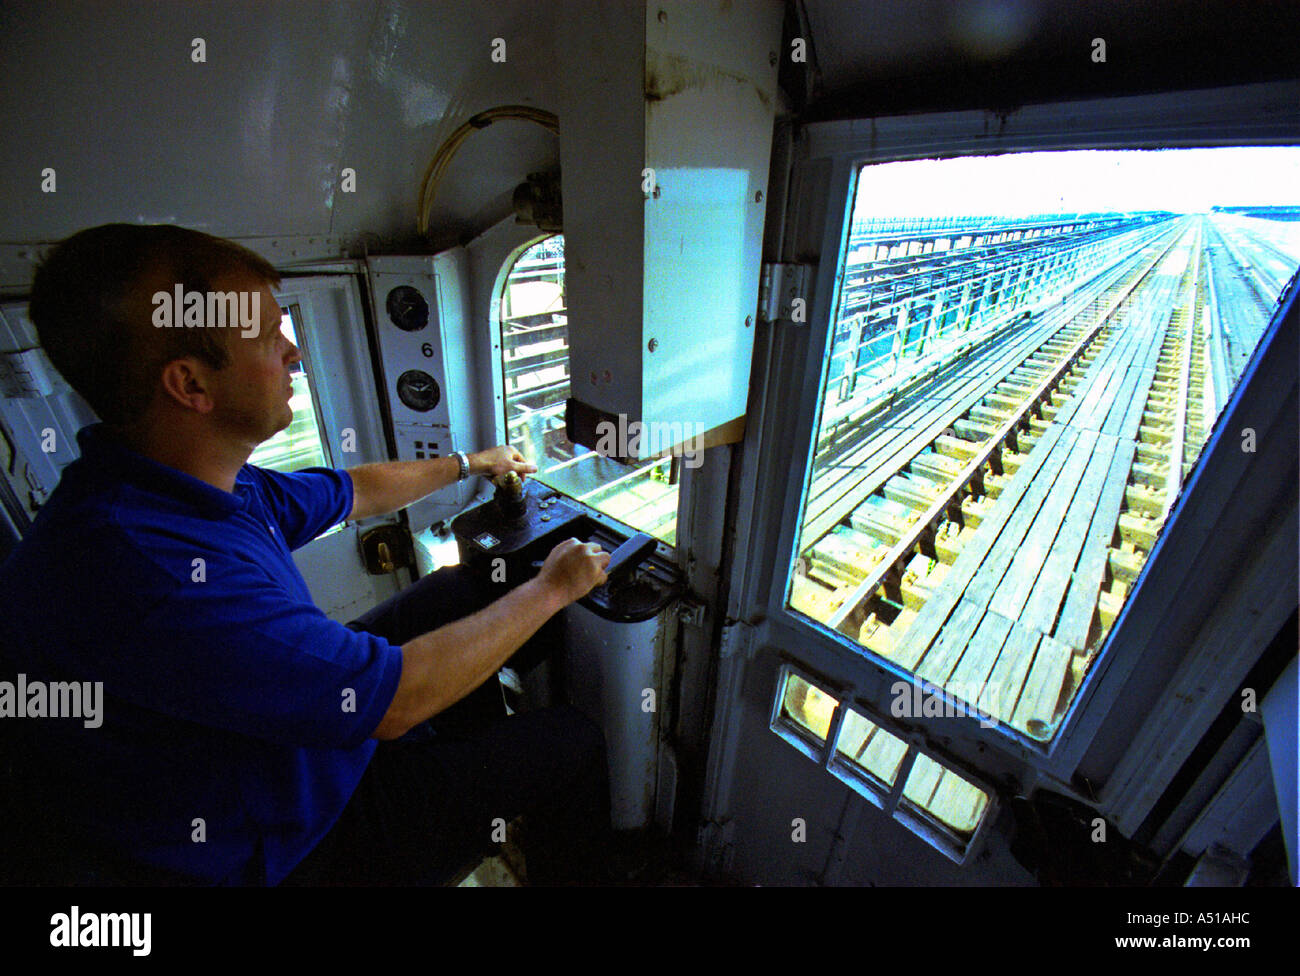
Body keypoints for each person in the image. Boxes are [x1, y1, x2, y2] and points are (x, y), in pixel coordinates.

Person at [0, 223, 612, 885]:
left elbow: (351, 492)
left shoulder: (171, 477)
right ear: (190, 386)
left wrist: (468, 463)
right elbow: (398, 699)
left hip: (274, 741)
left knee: (467, 590)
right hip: (288, 840)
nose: (293, 351)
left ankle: (461, 768)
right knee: (571, 741)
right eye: (268, 337)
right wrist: (554, 587)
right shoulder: (147, 572)